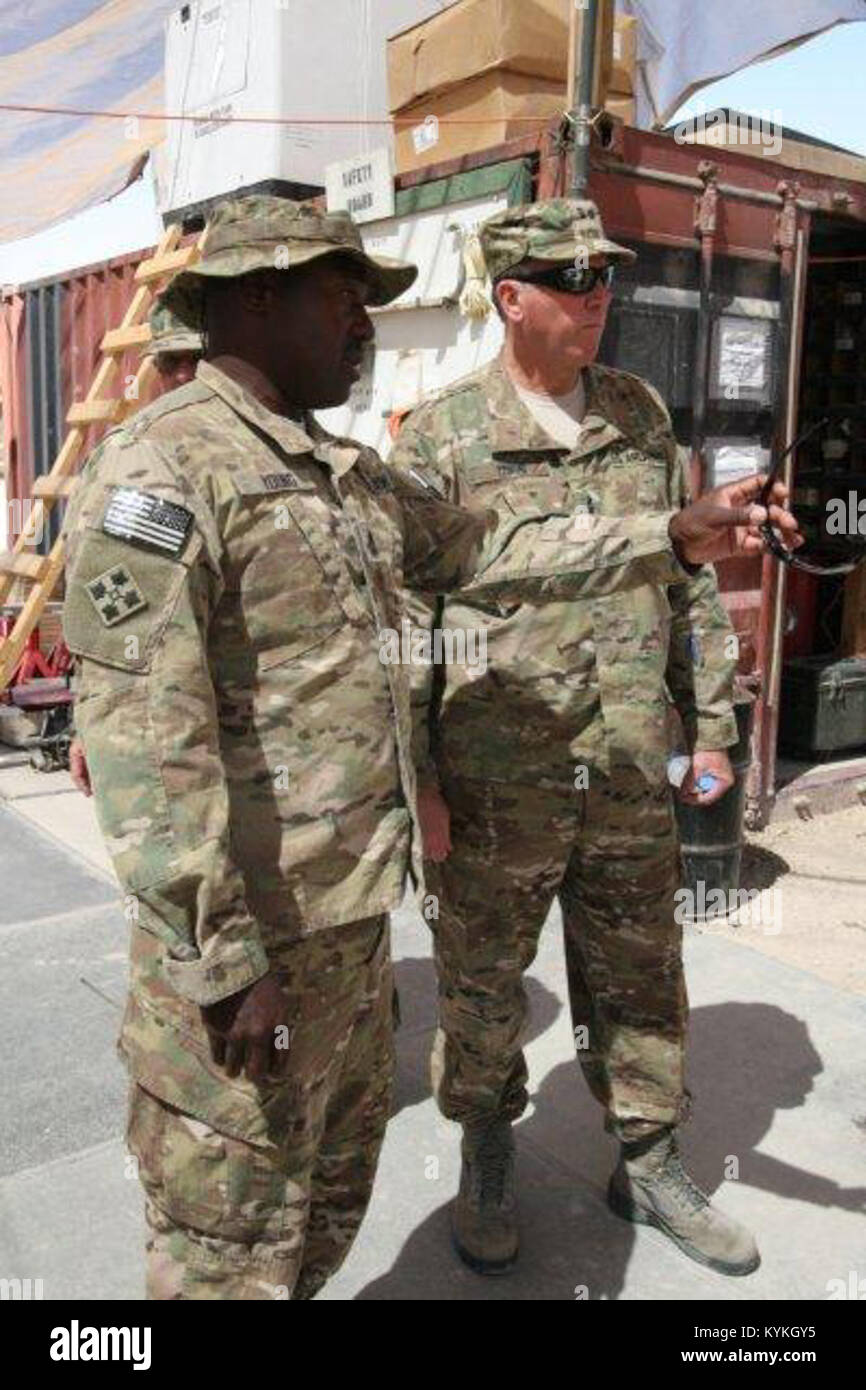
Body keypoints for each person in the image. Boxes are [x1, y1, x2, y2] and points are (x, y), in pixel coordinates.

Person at [61, 194, 797, 1301]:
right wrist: (220, 966)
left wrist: (668, 533)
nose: (365, 327)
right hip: (252, 955)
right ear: (258, 300)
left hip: (350, 931)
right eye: (344, 300)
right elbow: (143, 756)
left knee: (319, 1220)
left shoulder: (343, 473)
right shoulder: (162, 473)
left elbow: (487, 547)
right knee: (226, 1250)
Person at [389, 197, 790, 1279]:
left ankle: (648, 1158)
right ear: (507, 296)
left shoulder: (638, 414)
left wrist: (710, 722)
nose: (596, 299)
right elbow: (407, 629)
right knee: (480, 983)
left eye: (603, 277)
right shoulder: (438, 438)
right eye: (571, 282)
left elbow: (686, 577)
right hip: (492, 779)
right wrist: (417, 781)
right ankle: (484, 1145)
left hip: (620, 763)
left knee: (639, 974)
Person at [68, 303, 203, 796]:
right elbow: (108, 604)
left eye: (196, 357)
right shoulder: (138, 456)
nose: (184, 375)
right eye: (170, 364)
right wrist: (89, 721)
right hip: (165, 723)